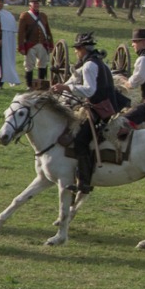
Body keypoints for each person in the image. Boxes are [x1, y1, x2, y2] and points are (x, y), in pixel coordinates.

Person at [52, 32, 124, 195]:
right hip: (105, 107)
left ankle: (84, 182)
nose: (76, 51)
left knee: (80, 141)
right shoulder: (99, 63)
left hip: (99, 110)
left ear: (83, 49)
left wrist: (65, 87)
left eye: (77, 48)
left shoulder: (89, 66)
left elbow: (90, 90)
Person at [16, 0, 53, 89]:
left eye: (37, 3)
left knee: (43, 64)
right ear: (30, 4)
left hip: (42, 44)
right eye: (34, 3)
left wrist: (50, 44)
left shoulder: (43, 16)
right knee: (29, 65)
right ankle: (29, 85)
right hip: (30, 44)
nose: (36, 5)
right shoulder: (25, 16)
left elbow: (48, 31)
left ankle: (41, 84)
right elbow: (21, 33)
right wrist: (21, 46)